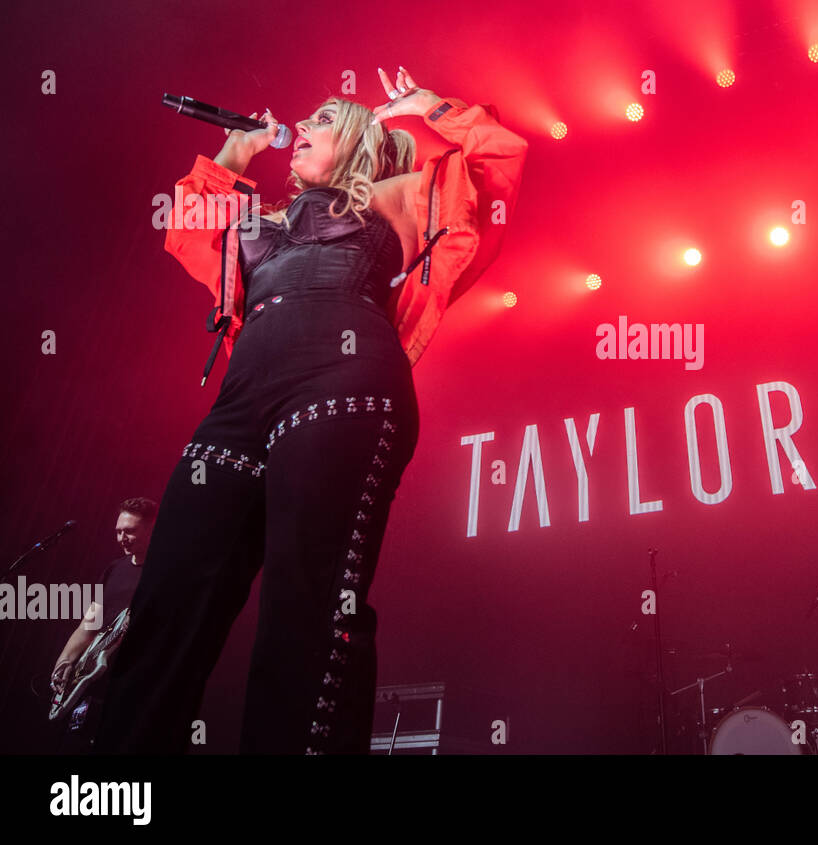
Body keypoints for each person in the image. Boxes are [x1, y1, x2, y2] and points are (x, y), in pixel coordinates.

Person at [93, 66, 527, 754]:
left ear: (359, 139)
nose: (302, 125)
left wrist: (427, 107)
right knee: (169, 593)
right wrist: (237, 149)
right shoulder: (261, 218)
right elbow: (188, 229)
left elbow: (497, 160)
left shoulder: (398, 195)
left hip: (345, 382)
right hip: (242, 399)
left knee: (308, 601)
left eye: (325, 118)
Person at [50, 497, 157, 753]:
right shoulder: (114, 569)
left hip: (131, 683)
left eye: (129, 531)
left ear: (153, 528)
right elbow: (88, 625)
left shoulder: (162, 573)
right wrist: (64, 661)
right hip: (92, 682)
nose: (121, 538)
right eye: (118, 531)